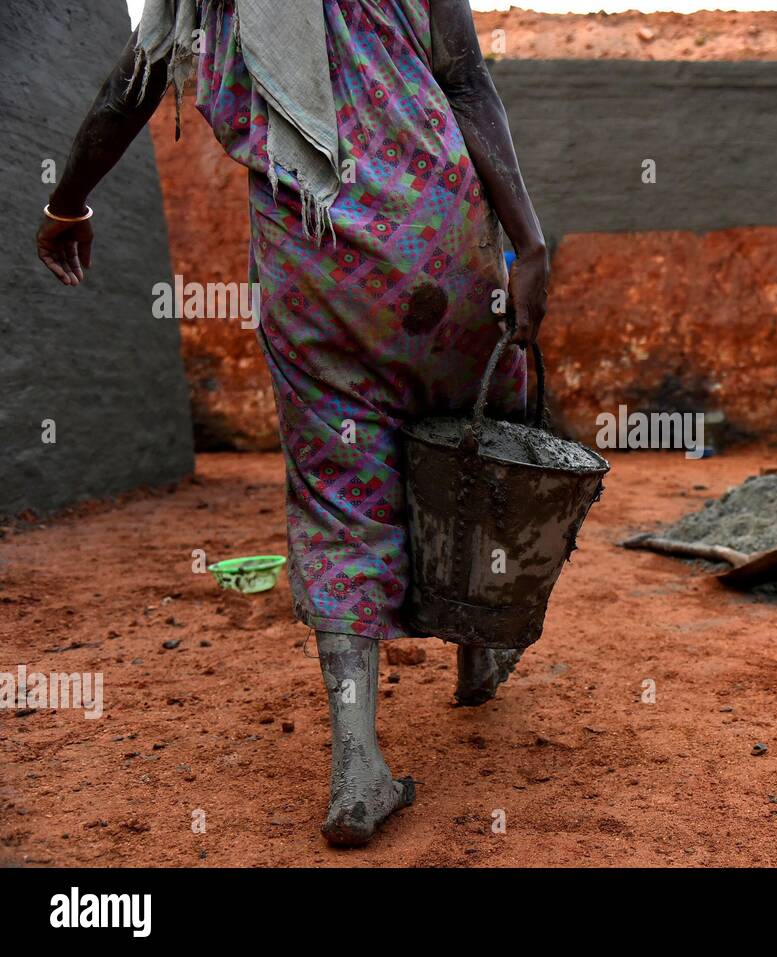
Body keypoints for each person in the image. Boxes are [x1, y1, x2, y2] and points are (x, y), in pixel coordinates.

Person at [36, 0, 550, 846]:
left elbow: (135, 81)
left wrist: (67, 201)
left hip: (315, 264)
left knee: (338, 494)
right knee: (479, 436)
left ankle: (359, 765)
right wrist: (527, 244)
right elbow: (465, 79)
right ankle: (480, 640)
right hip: (440, 236)